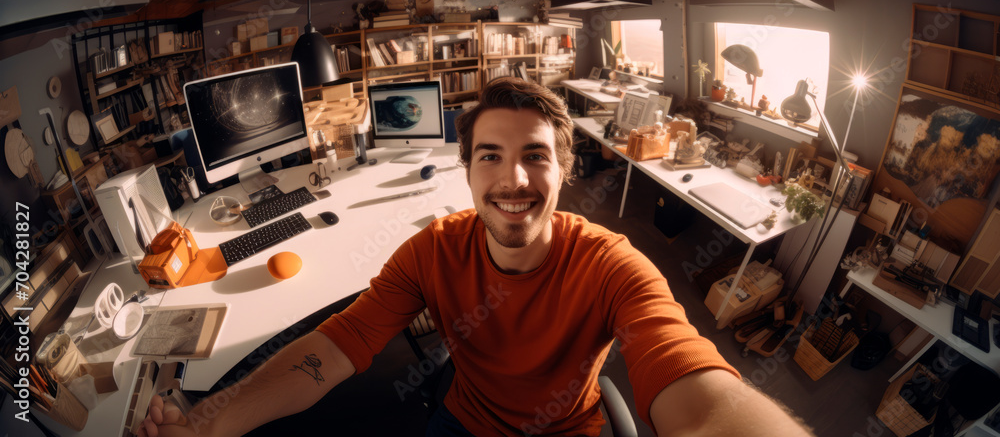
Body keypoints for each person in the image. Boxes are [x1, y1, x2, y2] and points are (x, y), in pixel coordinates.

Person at [141, 77, 812, 437]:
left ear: (564, 170)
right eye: (490, 156)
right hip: (463, 420)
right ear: (466, 171)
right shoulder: (434, 251)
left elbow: (697, 391)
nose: (512, 181)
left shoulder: (612, 265)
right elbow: (338, 345)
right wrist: (209, 423)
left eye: (535, 157)